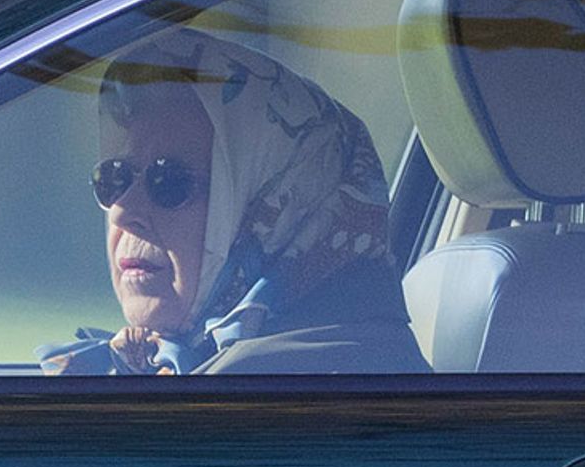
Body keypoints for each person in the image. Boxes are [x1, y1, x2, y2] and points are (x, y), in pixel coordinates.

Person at [38, 26, 429, 375]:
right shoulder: (215, 361)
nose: (123, 211)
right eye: (115, 177)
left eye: (167, 181)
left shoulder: (292, 386)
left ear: (274, 210)